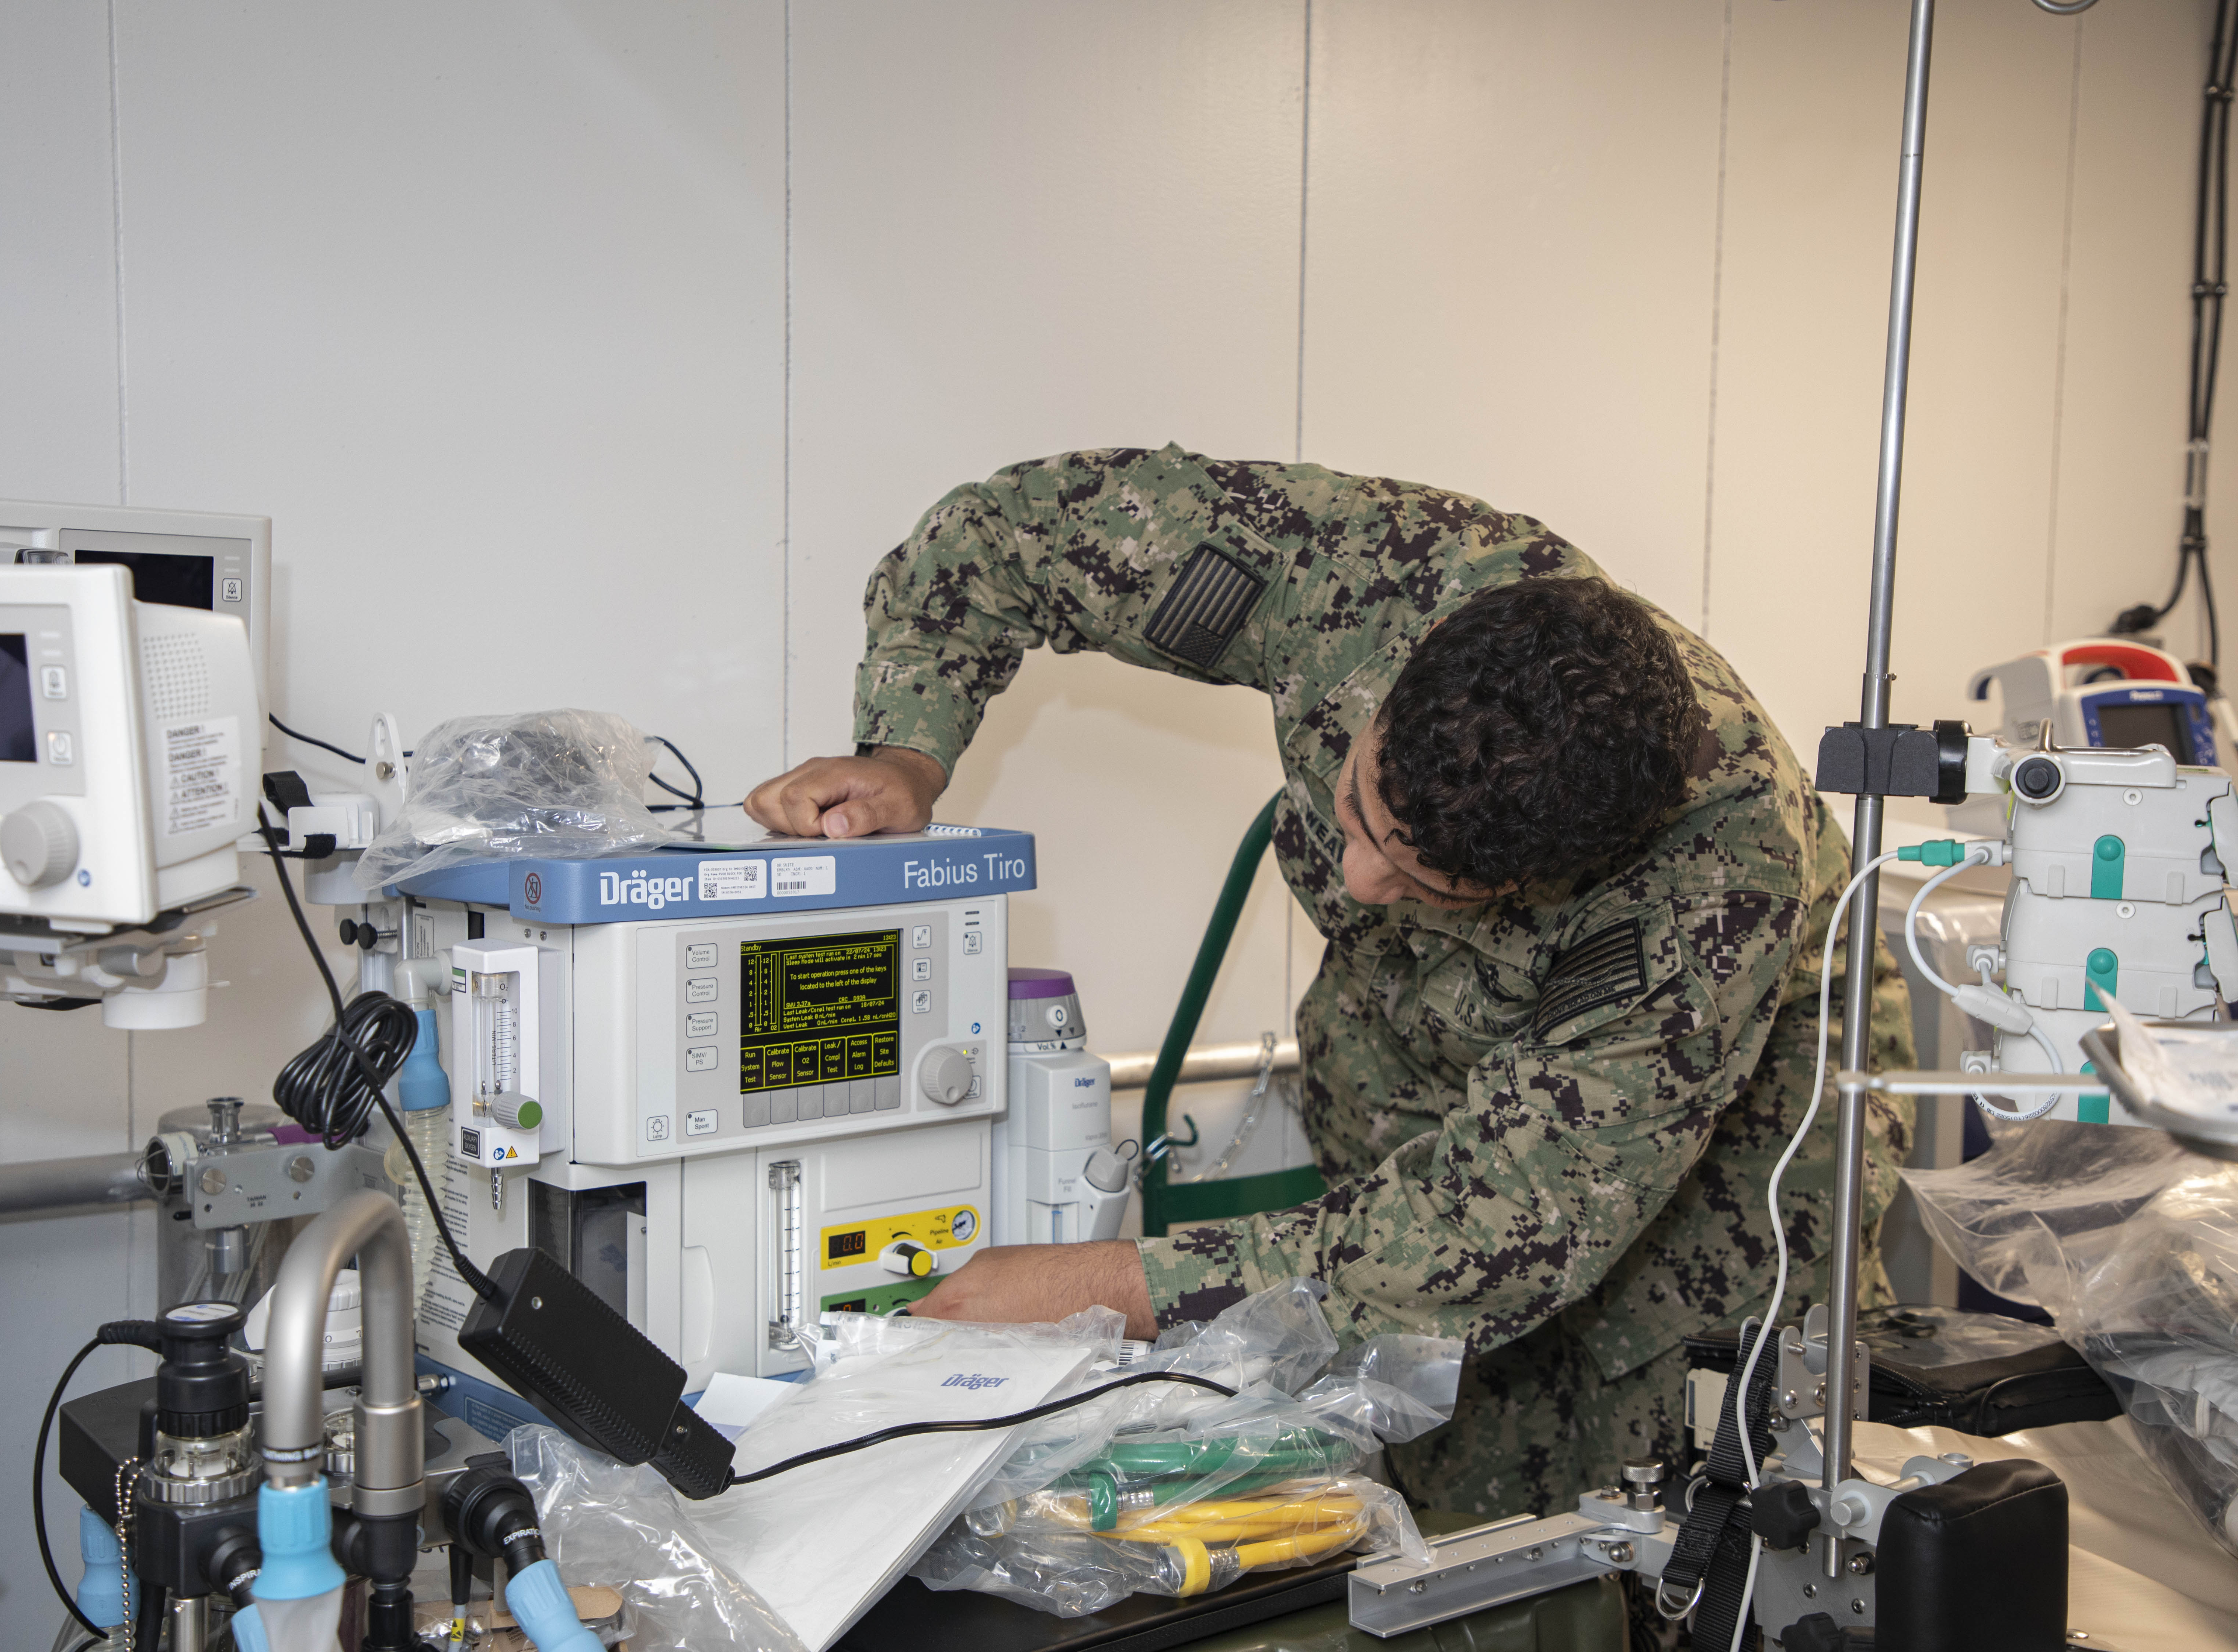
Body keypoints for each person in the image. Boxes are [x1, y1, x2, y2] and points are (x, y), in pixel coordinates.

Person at [744, 444, 1913, 1516]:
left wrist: (1109, 1283)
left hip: (1729, 1158)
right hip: (1410, 1071)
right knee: (1438, 1448)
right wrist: (906, 754)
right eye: (1355, 807)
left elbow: (1501, 1229)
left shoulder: (1711, 881)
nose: (1354, 881)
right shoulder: (1360, 577)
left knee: (1670, 1513)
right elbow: (1000, 538)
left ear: (1552, 879)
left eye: (1426, 882)